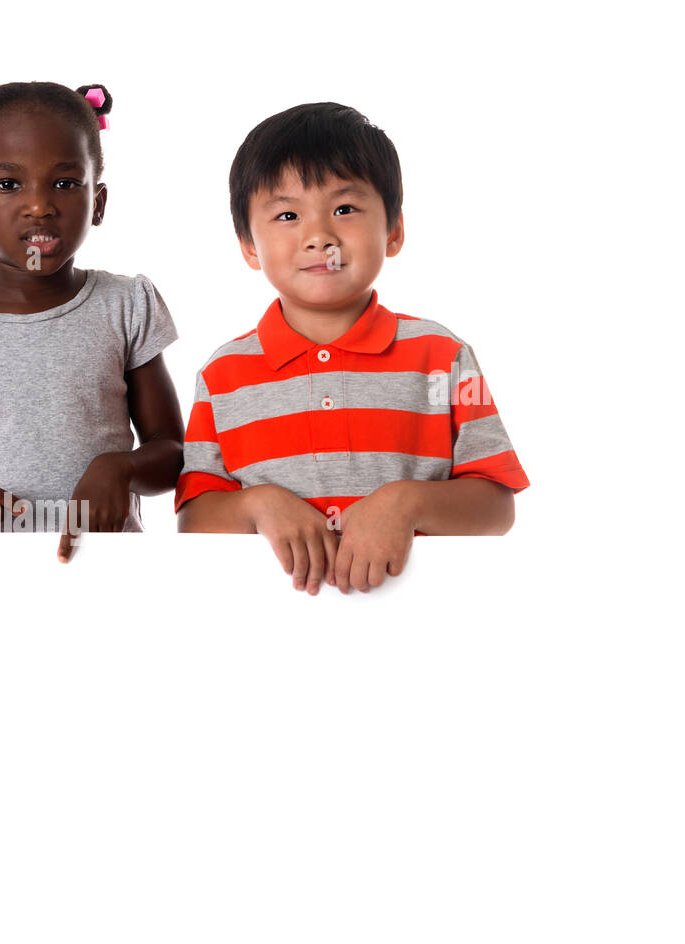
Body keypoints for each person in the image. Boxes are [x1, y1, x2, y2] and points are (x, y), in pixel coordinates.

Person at [176, 102, 529, 595]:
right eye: (287, 214)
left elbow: (497, 508)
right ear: (249, 246)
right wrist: (258, 503)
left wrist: (406, 503)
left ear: (394, 231)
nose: (319, 236)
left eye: (344, 209)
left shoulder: (442, 356)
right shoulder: (224, 374)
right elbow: (194, 519)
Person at [0, 74, 184, 562]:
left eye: (66, 183)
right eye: (9, 184)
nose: (39, 205)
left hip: (114, 570)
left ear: (98, 202)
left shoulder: (124, 306)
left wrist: (123, 468)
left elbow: (173, 450)